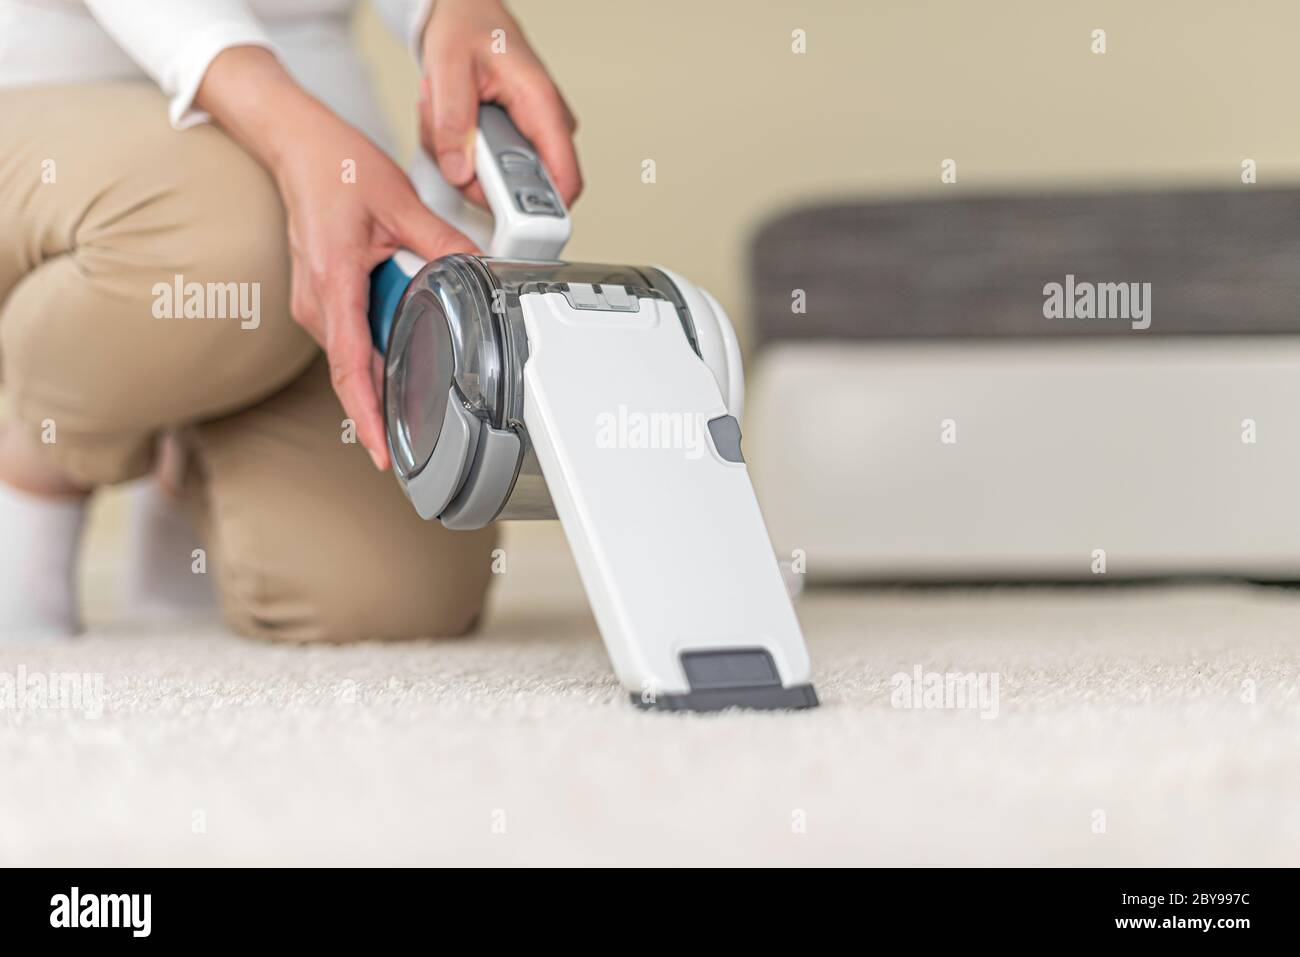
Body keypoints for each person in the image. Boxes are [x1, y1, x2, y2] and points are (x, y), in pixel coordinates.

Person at [0, 0, 582, 640]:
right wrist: (291, 134)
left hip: (305, 151)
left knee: (392, 595)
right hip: (51, 103)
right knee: (231, 242)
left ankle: (184, 457)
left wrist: (453, 12)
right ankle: (37, 459)